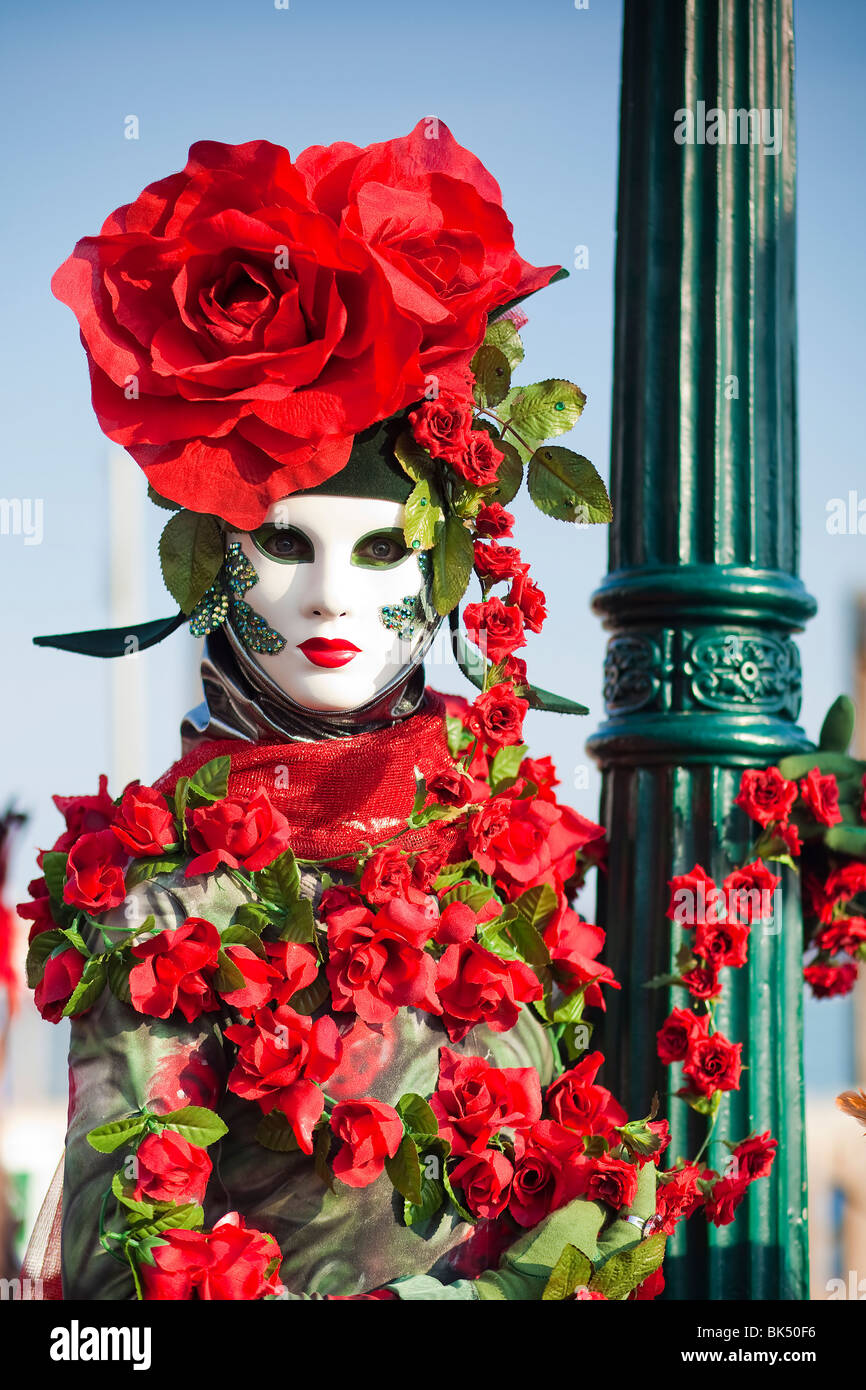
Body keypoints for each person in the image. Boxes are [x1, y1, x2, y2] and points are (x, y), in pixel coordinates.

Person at [21, 121, 660, 1301]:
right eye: (284, 543)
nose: (331, 596)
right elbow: (113, 1298)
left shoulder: (503, 837)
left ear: (449, 567)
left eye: (381, 547)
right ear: (214, 560)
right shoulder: (163, 895)